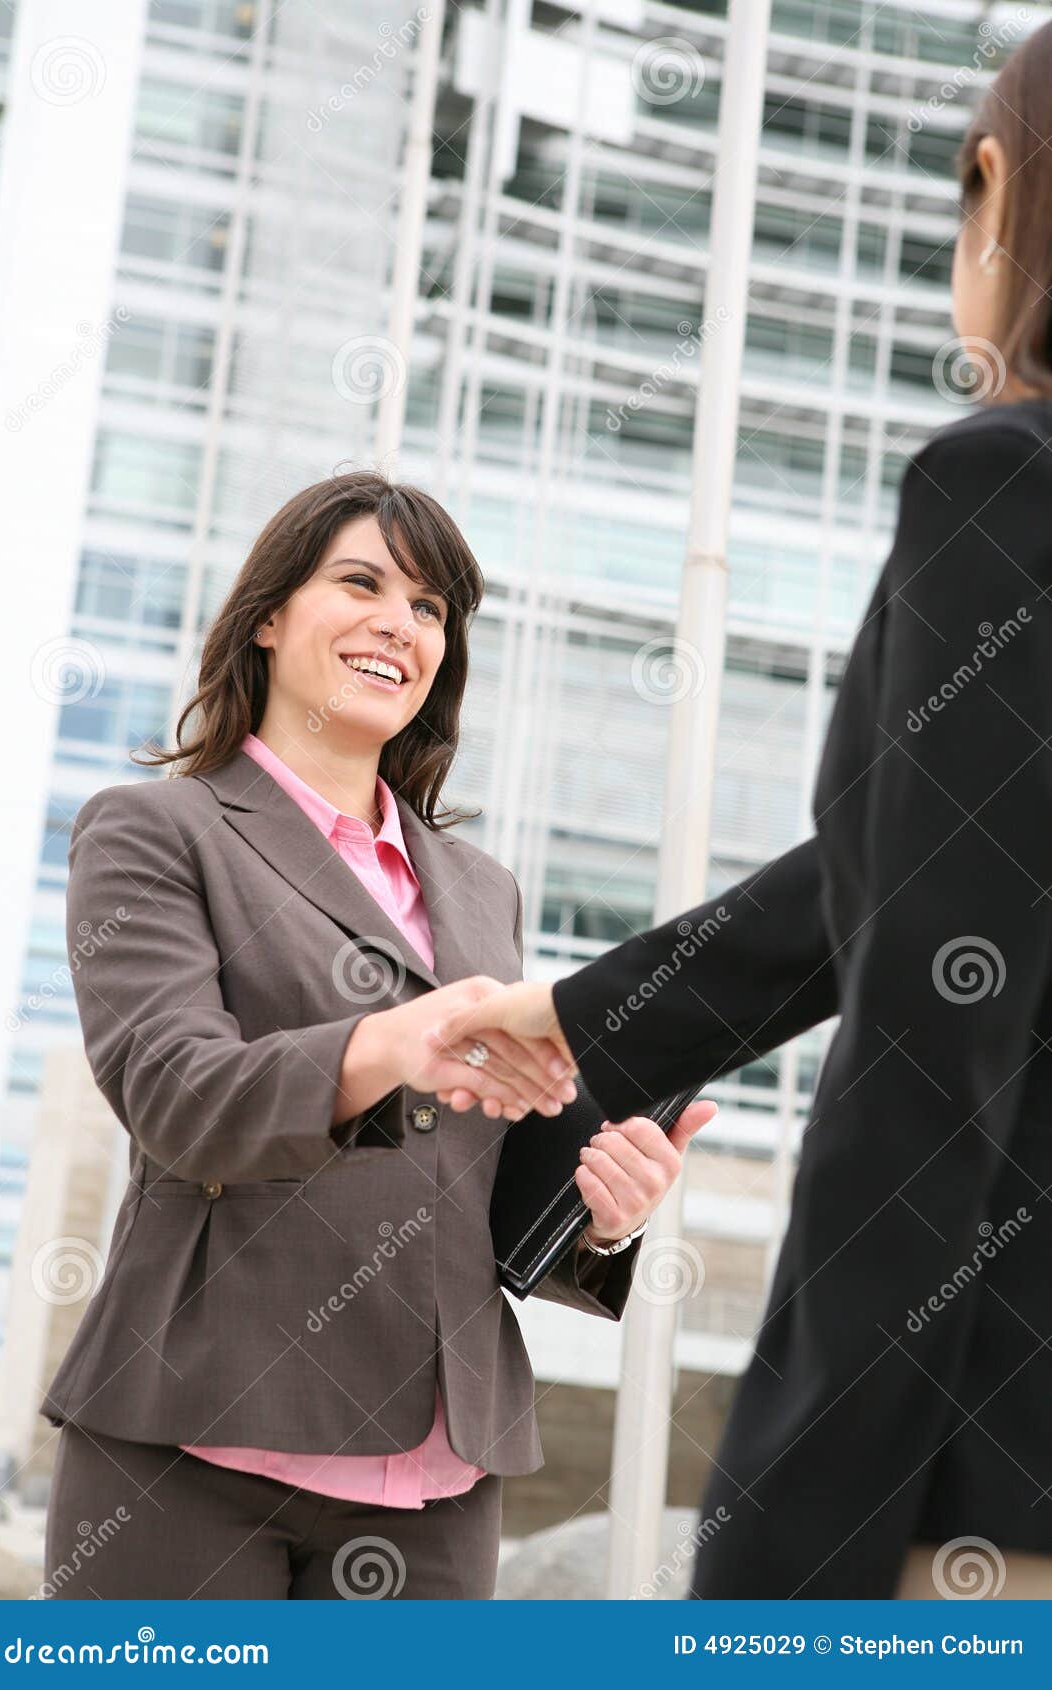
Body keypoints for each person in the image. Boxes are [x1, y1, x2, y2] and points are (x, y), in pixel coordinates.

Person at [425, 22, 1052, 1600]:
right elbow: (903, 869)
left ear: (996, 191)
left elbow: (933, 1020)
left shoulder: (1004, 482)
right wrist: (581, 1018)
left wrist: (787, 1532)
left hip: (982, 1477)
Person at [40, 472, 713, 1599]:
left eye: (430, 609)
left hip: (435, 1476)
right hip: (194, 1443)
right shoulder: (158, 830)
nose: (397, 624)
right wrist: (391, 1042)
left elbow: (471, 1169)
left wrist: (595, 1211)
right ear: (267, 614)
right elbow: (175, 1095)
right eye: (360, 582)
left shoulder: (477, 886)